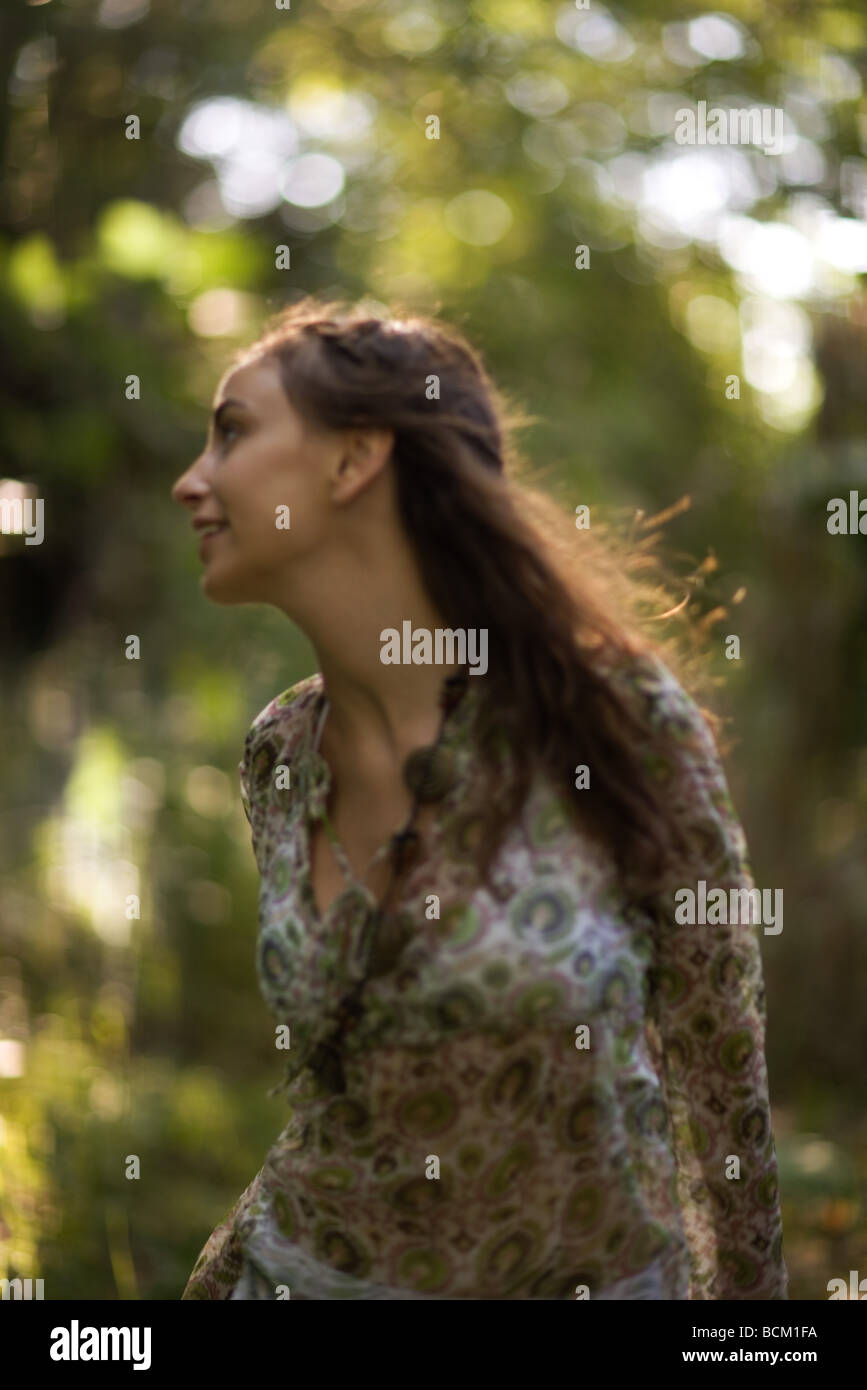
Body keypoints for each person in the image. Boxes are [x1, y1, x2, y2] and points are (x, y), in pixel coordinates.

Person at [170, 295, 787, 1300]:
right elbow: (339, 1093)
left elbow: (723, 1063)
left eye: (232, 432)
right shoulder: (281, 749)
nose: (189, 480)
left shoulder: (610, 718)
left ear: (351, 458)